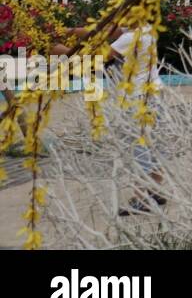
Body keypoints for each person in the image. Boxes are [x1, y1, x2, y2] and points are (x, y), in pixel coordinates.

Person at [51, 22, 165, 214]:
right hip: (153, 94)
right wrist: (68, 30)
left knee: (137, 147)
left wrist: (59, 50)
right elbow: (105, 31)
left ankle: (142, 197)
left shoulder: (129, 38)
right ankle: (155, 190)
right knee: (150, 143)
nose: (119, 18)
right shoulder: (144, 28)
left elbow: (94, 61)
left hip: (137, 98)